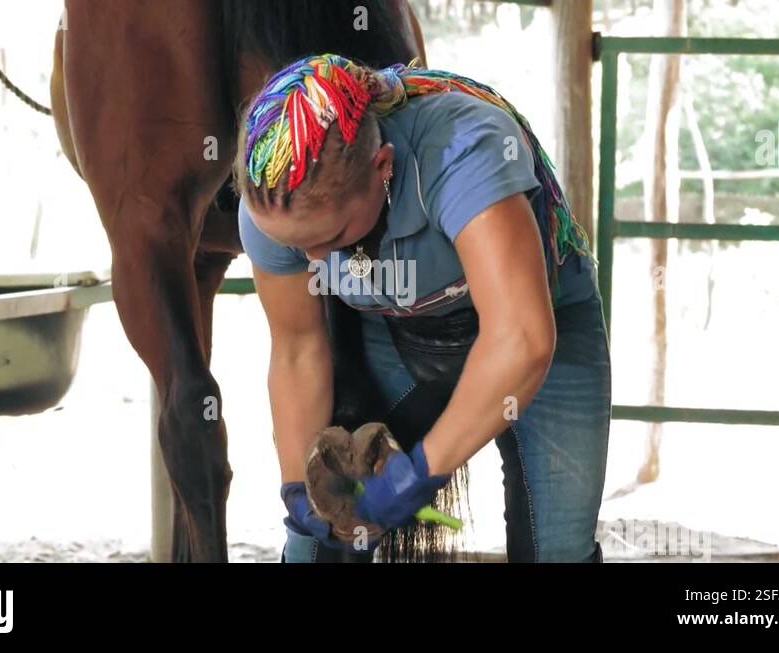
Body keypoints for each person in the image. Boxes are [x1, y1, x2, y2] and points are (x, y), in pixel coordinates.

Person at [235, 54, 611, 563]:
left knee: (559, 551)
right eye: (296, 247)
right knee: (315, 547)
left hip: (540, 326)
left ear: (383, 166)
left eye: (332, 238)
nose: (315, 263)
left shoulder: (464, 150)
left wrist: (420, 472)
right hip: (395, 333)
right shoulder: (275, 198)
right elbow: (298, 348)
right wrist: (296, 489)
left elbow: (519, 339)